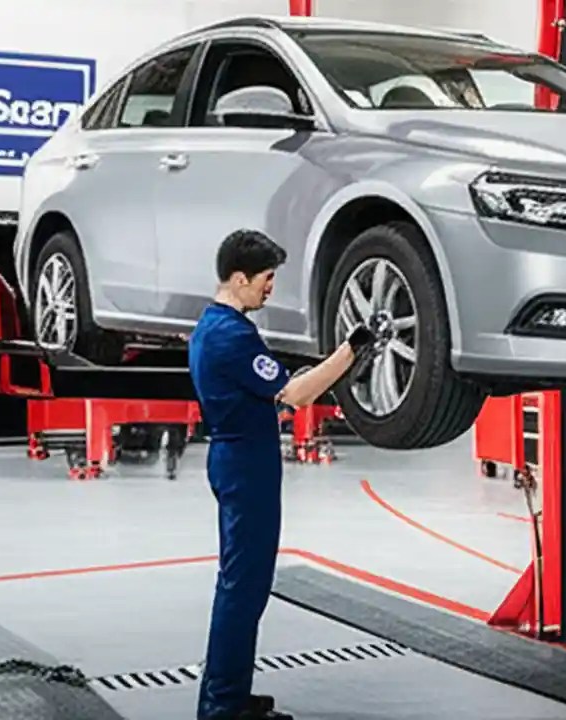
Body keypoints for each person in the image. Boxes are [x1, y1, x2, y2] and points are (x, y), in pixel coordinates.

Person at [188, 229, 374, 719]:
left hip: (236, 460)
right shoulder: (231, 336)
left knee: (241, 586)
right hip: (246, 467)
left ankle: (227, 696)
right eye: (267, 279)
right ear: (240, 277)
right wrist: (350, 352)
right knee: (243, 589)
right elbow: (296, 395)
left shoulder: (212, 326)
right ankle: (223, 707)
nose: (271, 287)